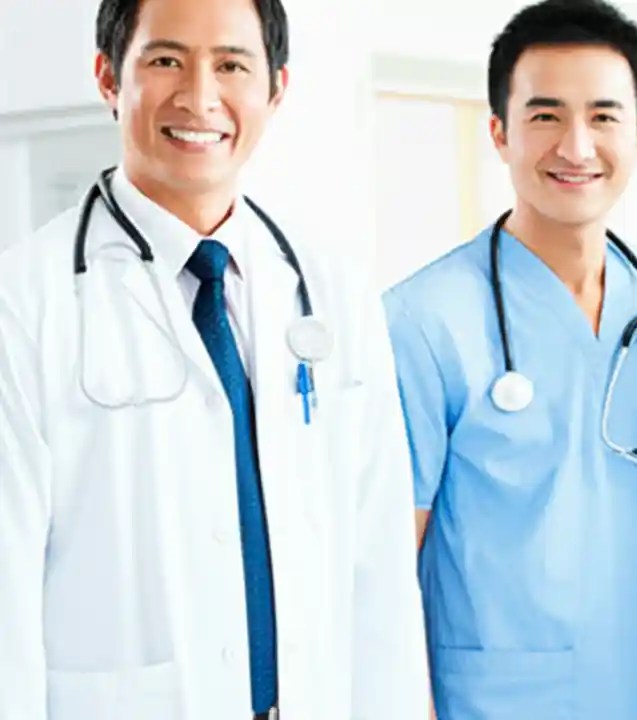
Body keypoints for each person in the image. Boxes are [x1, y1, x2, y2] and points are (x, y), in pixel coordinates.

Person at [0, 0, 429, 717]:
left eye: (231, 65)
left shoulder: (332, 294)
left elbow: (378, 569)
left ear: (276, 89)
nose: (199, 97)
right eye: (166, 60)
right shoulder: (24, 302)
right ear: (109, 77)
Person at [381, 1, 637, 718]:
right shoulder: (423, 319)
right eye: (545, 116)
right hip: (491, 702)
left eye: (603, 116)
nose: (576, 146)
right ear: (500, 134)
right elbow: (389, 567)